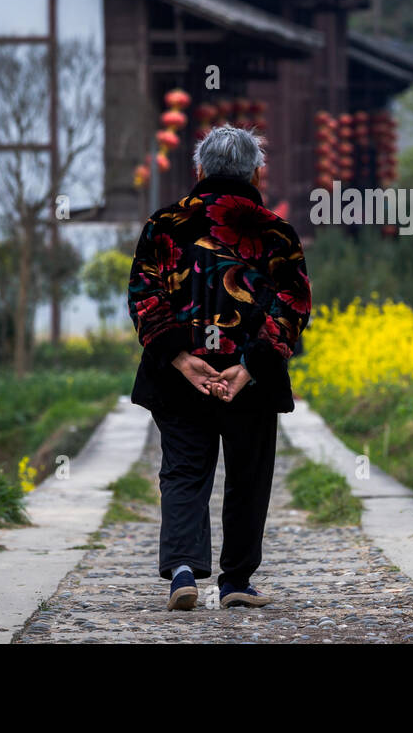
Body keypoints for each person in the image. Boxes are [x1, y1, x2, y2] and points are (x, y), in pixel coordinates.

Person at [126, 125, 312, 611]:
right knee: (248, 475)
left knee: (184, 470)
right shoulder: (276, 232)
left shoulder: (162, 226)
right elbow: (291, 306)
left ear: (200, 170)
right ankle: (234, 583)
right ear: (256, 173)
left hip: (177, 376)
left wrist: (184, 360)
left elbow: (144, 296)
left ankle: (183, 571)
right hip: (249, 380)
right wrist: (249, 368)